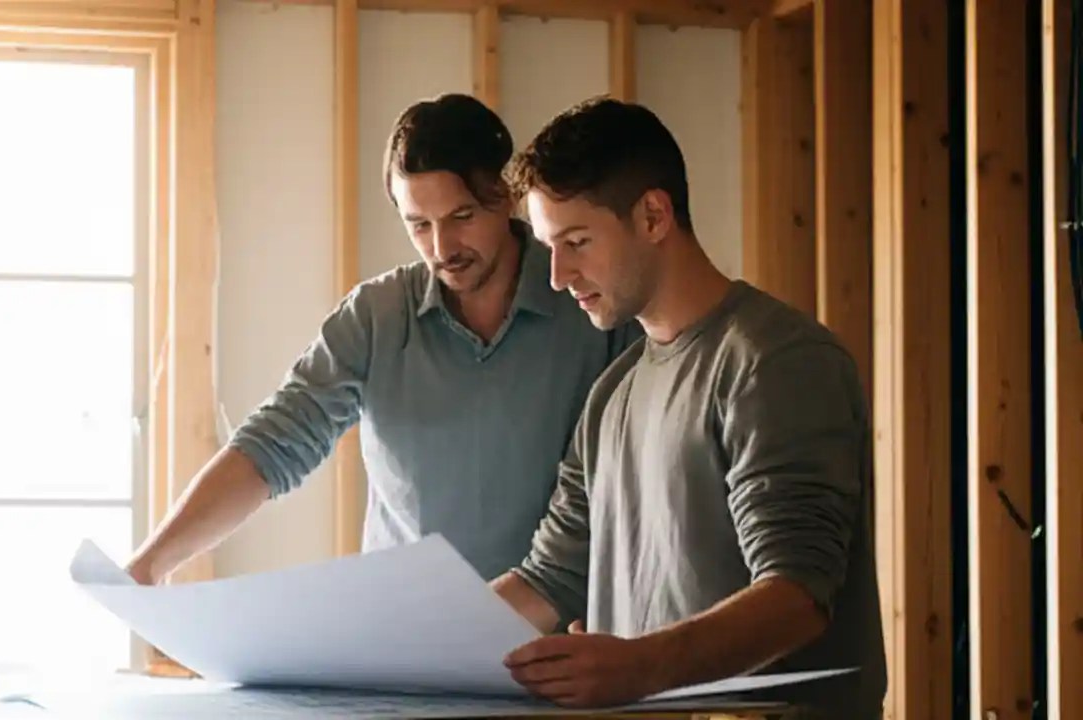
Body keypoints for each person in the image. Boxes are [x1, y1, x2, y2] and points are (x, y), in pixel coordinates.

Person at [126, 93, 640, 586]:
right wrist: (150, 565)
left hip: (557, 647)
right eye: (418, 225)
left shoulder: (589, 306)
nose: (442, 248)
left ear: (505, 197)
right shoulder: (377, 316)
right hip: (403, 644)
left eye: (461, 217)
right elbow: (272, 443)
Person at [490, 97, 887, 718]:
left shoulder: (777, 361)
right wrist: (400, 655)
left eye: (577, 242)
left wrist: (639, 668)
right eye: (550, 247)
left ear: (653, 215)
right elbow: (549, 580)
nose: (559, 276)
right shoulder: (612, 394)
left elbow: (797, 593)